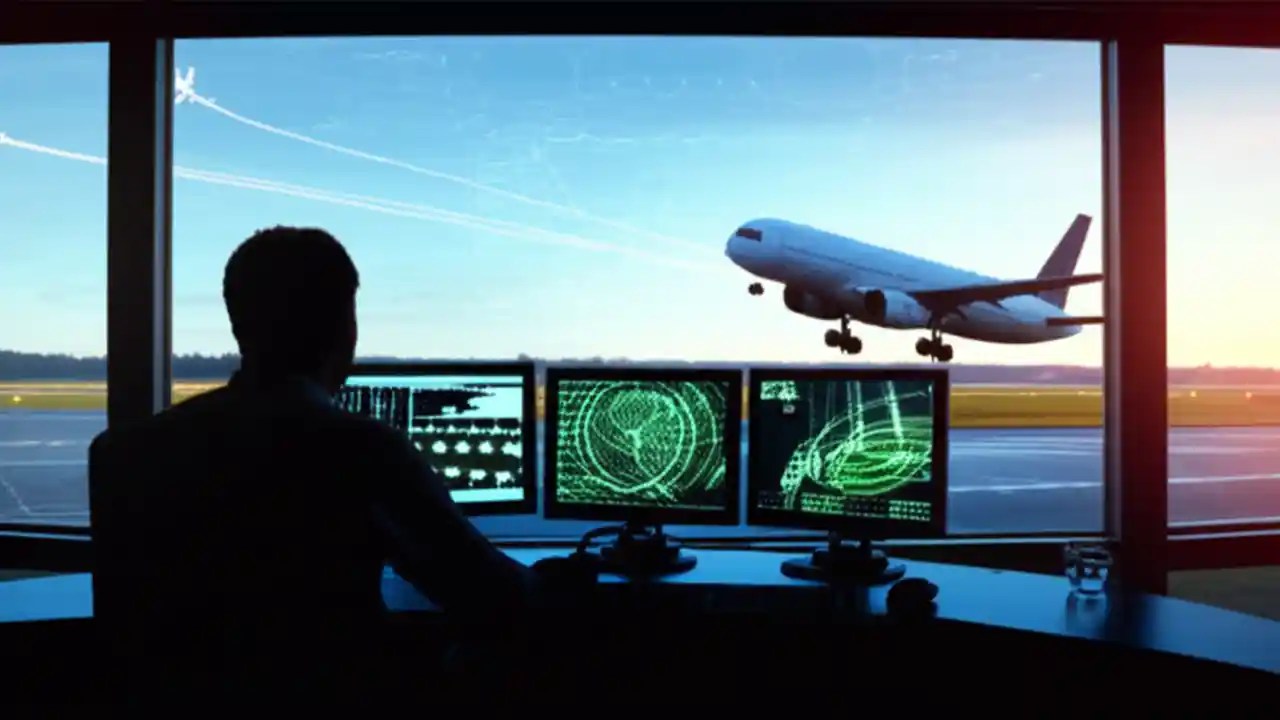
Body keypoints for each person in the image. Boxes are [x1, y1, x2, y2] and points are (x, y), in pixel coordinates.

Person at [89, 226, 537, 705]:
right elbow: (494, 596)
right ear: (347, 328)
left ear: (239, 327)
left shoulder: (121, 452)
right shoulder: (364, 449)